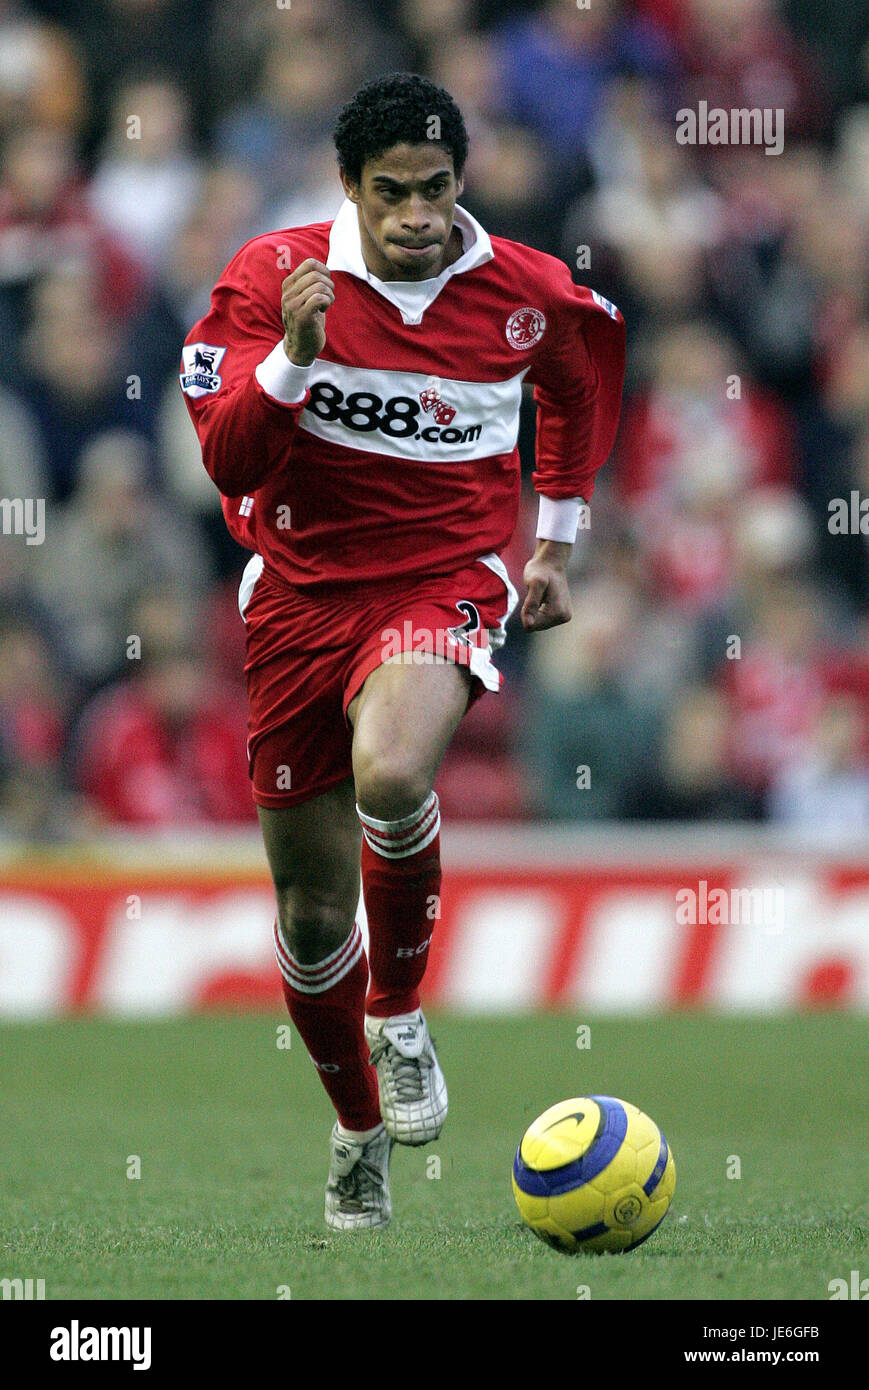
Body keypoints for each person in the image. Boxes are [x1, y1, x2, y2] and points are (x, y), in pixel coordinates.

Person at [181, 72, 624, 1231]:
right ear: (349, 190)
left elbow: (581, 378)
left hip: (442, 577)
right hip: (295, 597)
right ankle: (355, 1129)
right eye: (392, 194)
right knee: (313, 911)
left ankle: (403, 1007)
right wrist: (292, 359)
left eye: (436, 190)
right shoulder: (271, 280)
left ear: (460, 182)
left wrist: (557, 540)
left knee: (391, 770)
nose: (418, 215)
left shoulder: (522, 292)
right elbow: (228, 463)